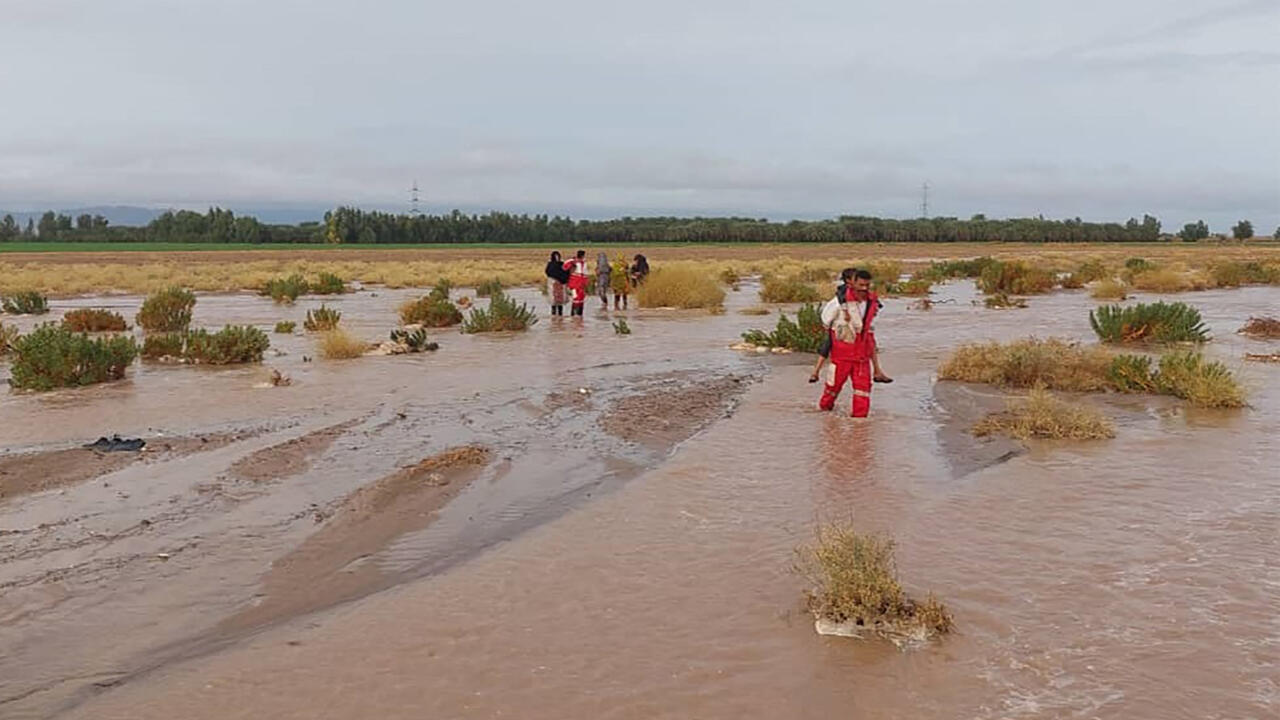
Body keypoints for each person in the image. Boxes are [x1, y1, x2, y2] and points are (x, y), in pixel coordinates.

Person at [818, 268, 892, 417]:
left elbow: (870, 330)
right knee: (832, 389)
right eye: (861, 285)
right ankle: (825, 416)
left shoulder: (872, 302)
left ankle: (859, 424)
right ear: (852, 283)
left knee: (863, 391)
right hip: (841, 355)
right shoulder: (837, 303)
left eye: (867, 285)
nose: (864, 288)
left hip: (862, 356)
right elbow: (826, 323)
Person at [563, 249, 590, 316]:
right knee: (575, 298)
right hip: (574, 284)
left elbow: (585, 273)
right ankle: (574, 315)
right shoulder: (573, 261)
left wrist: (586, 282)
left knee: (581, 298)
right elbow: (564, 267)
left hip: (581, 284)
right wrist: (573, 262)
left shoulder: (584, 263)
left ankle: (579, 316)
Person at [545, 251, 570, 316]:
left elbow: (566, 272)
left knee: (560, 301)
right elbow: (548, 272)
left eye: (558, 256)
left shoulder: (562, 264)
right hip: (553, 283)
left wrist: (563, 279)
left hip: (561, 284)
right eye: (556, 256)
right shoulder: (550, 264)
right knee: (553, 300)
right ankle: (553, 314)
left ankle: (560, 315)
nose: (557, 258)